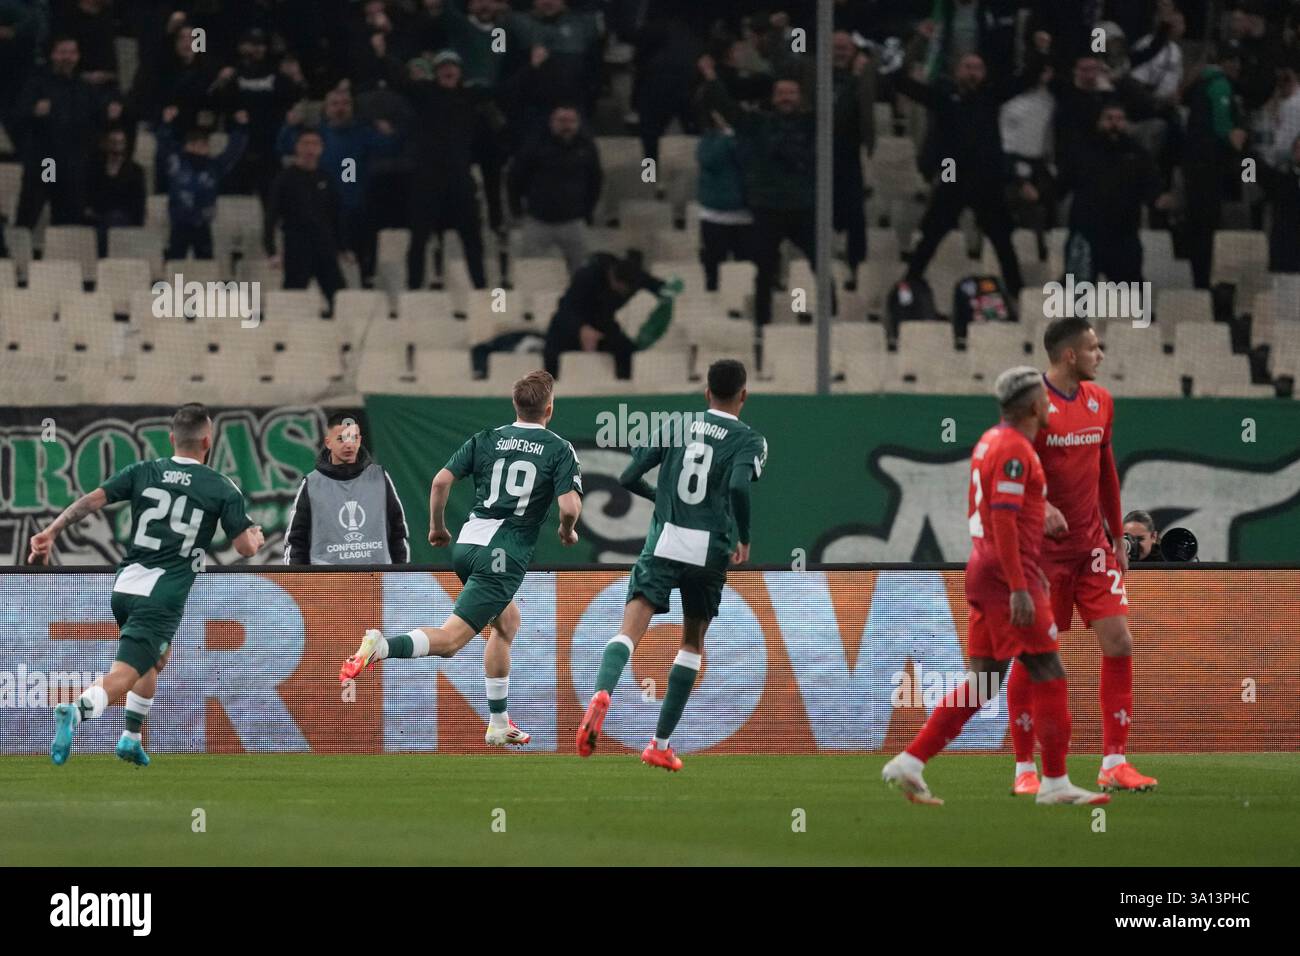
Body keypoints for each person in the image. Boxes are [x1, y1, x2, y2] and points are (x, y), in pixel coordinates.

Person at [881, 367, 1109, 807]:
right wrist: (1021, 584)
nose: (1051, 405)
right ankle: (1056, 784)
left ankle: (911, 761)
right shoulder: (1014, 448)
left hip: (984, 570)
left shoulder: (991, 439)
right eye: (1045, 399)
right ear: (1031, 406)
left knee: (984, 680)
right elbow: (1003, 518)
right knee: (1048, 670)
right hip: (1006, 577)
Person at [339, 371, 583, 748]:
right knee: (452, 641)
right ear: (549, 408)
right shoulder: (558, 448)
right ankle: (381, 646)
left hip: (467, 545)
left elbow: (439, 482)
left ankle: (499, 722)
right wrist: (567, 531)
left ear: (515, 405)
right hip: (502, 554)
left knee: (507, 622)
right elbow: (569, 505)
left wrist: (437, 528)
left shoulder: (487, 438)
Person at [29, 404, 265, 767]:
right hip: (162, 595)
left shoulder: (144, 471)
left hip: (125, 588)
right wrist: (257, 536)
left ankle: (131, 738)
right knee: (125, 672)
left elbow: (91, 501)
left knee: (155, 659)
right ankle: (75, 713)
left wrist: (51, 530)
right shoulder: (221, 487)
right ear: (208, 441)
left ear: (172, 439)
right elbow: (245, 547)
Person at [576, 359, 767, 772]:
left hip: (665, 541)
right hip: (709, 551)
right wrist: (745, 538)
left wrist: (659, 498)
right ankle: (659, 744)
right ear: (743, 396)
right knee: (692, 642)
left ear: (706, 393)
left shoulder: (678, 425)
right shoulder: (749, 440)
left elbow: (627, 476)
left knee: (628, 632)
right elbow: (736, 484)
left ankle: (602, 692)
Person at [1003, 318, 1158, 796]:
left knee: (1119, 641)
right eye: (1094, 348)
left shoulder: (1101, 402)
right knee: (1034, 658)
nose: (1101, 355)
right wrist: (1041, 504)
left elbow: (1106, 470)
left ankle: (1114, 762)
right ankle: (1025, 769)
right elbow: (1011, 467)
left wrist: (1115, 534)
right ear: (1069, 355)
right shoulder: (1034, 406)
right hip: (1041, 554)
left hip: (1090, 547)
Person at [893, 51, 1025, 304]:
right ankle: (908, 287)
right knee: (930, 237)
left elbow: (1024, 80)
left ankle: (1018, 295)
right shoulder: (944, 98)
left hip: (986, 180)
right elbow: (904, 84)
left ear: (984, 73)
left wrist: (1040, 52)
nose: (973, 72)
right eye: (967, 67)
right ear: (957, 72)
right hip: (953, 176)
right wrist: (908, 56)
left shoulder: (991, 97)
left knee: (1003, 243)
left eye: (978, 67)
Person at [698, 55, 817, 328]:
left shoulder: (814, 125)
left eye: (791, 93)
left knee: (820, 265)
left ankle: (824, 317)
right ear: (773, 97)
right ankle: (762, 326)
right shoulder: (757, 124)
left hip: (804, 207)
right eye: (781, 93)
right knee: (763, 271)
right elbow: (727, 109)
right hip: (767, 210)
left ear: (800, 97)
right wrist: (711, 79)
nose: (786, 98)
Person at [1058, 101, 1173, 286]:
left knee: (1131, 297)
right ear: (1099, 122)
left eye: (1119, 119)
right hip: (1085, 235)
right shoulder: (1081, 152)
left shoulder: (1138, 155)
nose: (1114, 124)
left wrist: (1160, 200)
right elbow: (1061, 185)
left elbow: (1152, 188)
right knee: (1078, 297)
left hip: (1124, 236)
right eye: (1109, 118)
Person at [284, 412, 409, 565]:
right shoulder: (311, 484)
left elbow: (398, 532)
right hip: (328, 584)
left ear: (360, 440)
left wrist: (401, 574)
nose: (349, 444)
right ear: (328, 442)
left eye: (353, 438)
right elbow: (296, 541)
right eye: (341, 438)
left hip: (378, 581)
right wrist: (298, 582)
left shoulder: (380, 478)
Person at [508, 103, 603, 276]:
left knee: (582, 274)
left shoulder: (587, 147)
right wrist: (517, 211)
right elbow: (514, 179)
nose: (566, 125)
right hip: (538, 221)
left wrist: (587, 211)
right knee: (531, 273)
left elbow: (595, 181)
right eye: (561, 120)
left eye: (571, 121)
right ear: (551, 122)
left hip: (573, 221)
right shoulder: (534, 146)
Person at [543, 252, 669, 380]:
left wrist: (670, 290)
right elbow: (565, 308)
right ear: (612, 277)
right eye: (621, 290)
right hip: (571, 323)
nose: (623, 294)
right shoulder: (587, 276)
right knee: (554, 360)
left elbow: (661, 287)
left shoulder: (635, 276)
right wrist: (581, 329)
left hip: (603, 322)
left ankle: (626, 390)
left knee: (628, 354)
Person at [157, 105, 250, 259]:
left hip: (203, 225)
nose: (201, 149)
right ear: (187, 146)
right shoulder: (175, 162)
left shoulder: (213, 166)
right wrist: (166, 123)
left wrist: (241, 127)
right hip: (179, 224)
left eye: (204, 145)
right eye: (196, 145)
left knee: (206, 267)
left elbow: (233, 151)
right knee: (175, 265)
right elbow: (163, 143)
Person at [264, 128, 346, 303]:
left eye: (315, 144)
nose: (310, 148)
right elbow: (271, 216)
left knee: (340, 298)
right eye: (306, 143)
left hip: (325, 246)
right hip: (297, 246)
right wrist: (271, 250)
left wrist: (342, 246)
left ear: (321, 148)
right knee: (293, 297)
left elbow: (336, 215)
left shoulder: (326, 177)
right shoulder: (285, 178)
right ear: (297, 147)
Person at [86, 125, 146, 257]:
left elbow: (137, 204)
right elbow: (91, 198)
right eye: (113, 142)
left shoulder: (135, 171)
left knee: (115, 219)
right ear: (106, 144)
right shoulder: (95, 169)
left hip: (124, 220)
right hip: (98, 217)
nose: (117, 146)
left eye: (120, 142)